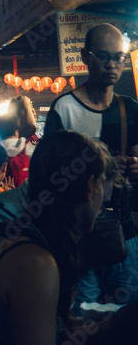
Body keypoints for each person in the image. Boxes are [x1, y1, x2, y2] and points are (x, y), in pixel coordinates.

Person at [0, 130, 138, 344]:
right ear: (90, 186)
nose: (100, 212)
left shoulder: (32, 239)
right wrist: (119, 324)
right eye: (104, 206)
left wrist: (119, 320)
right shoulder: (35, 264)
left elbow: (55, 327)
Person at [45, 23, 138, 307]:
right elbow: (49, 175)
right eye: (104, 56)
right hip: (78, 236)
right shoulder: (64, 108)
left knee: (127, 316)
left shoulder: (130, 108)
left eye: (118, 57)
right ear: (86, 57)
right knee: (82, 315)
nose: (112, 64)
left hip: (125, 231)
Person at [0, 95, 38, 187]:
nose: (32, 112)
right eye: (27, 110)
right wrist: (26, 103)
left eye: (31, 109)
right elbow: (32, 126)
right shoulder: (19, 135)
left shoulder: (33, 138)